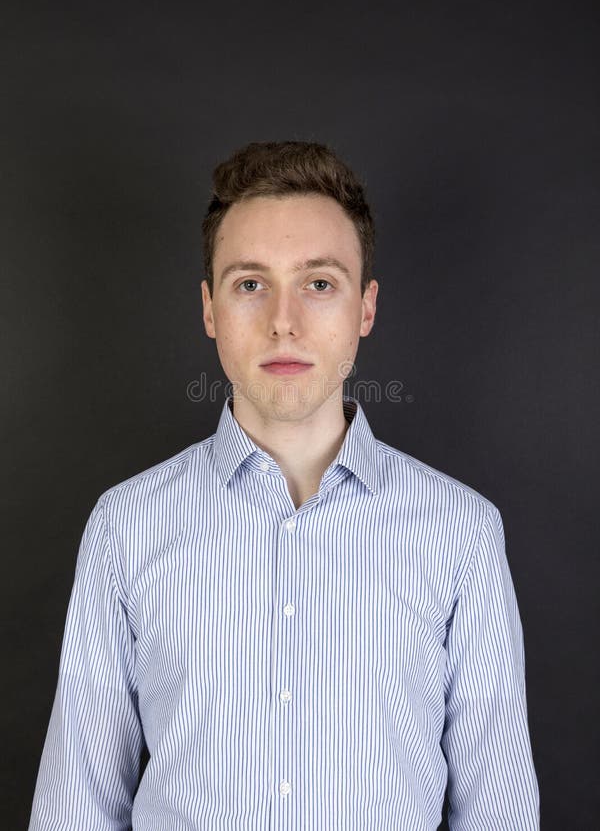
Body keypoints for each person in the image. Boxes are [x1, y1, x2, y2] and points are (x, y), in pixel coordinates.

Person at [29, 141, 540, 830]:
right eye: (250, 284)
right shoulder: (125, 526)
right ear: (210, 310)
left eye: (319, 283)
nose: (283, 321)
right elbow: (77, 806)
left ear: (366, 308)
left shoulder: (463, 532)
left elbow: (499, 809)